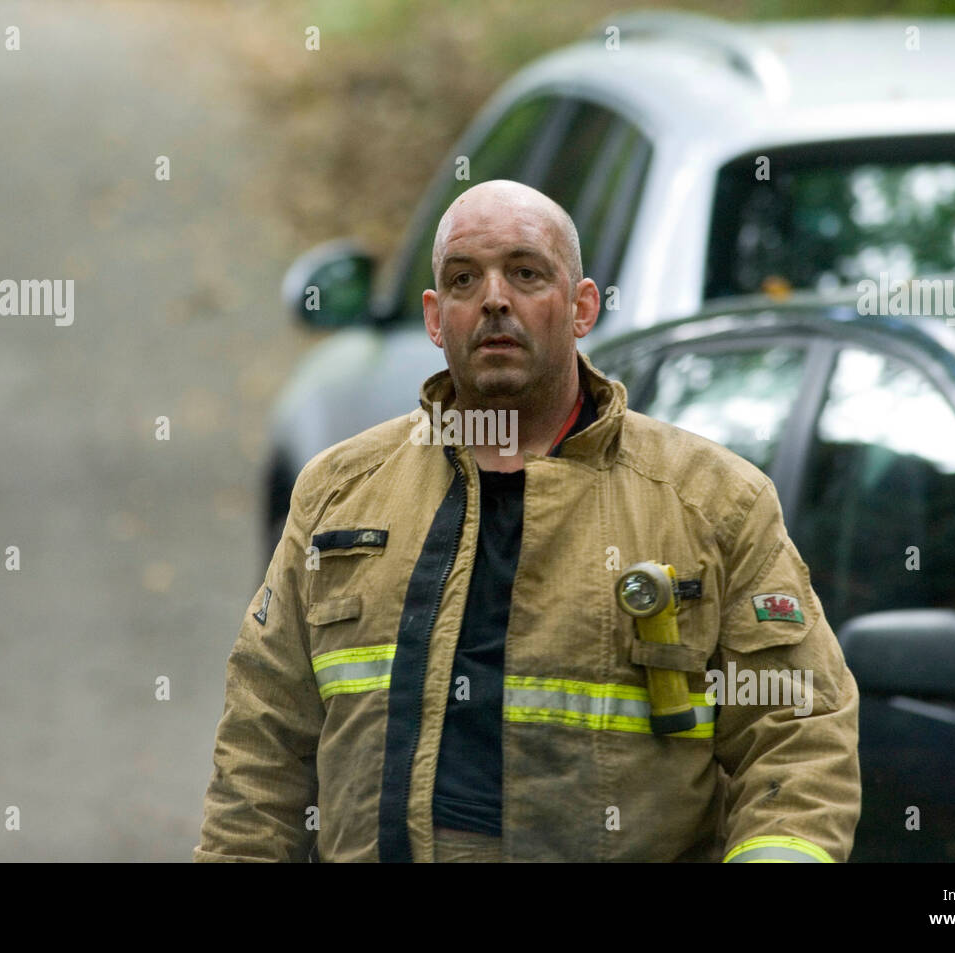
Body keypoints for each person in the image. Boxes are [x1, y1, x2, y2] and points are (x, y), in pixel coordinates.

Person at [195, 179, 861, 863]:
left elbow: (797, 731)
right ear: (434, 318)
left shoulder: (713, 502)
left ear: (582, 307)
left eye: (525, 273)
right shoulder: (338, 495)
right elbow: (262, 742)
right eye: (463, 279)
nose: (493, 298)